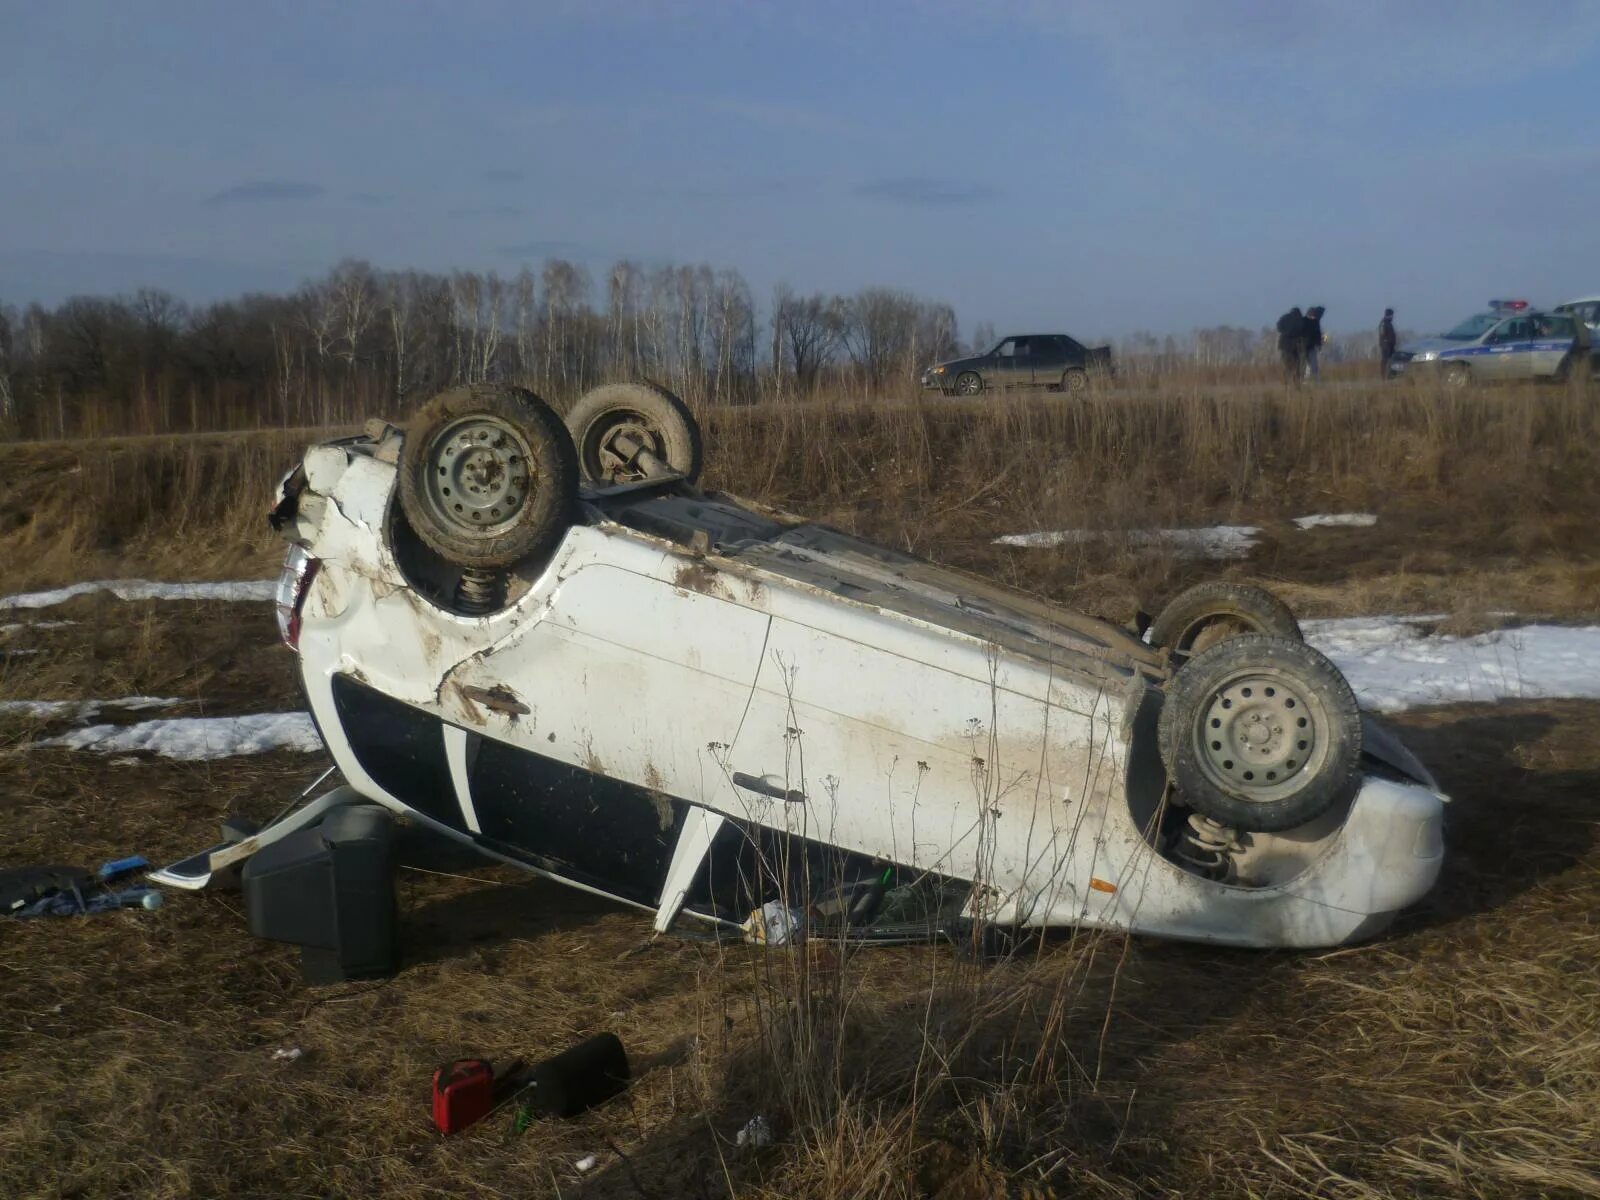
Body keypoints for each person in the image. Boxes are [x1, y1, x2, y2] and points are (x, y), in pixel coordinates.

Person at [1276, 306, 1306, 382]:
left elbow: (1278, 327)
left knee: (1287, 364)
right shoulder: (1300, 320)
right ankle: (1296, 381)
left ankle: (1286, 381)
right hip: (1295, 346)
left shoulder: (1284, 317)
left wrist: (1285, 332)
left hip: (1284, 344)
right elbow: (1303, 332)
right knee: (1297, 364)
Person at [1303, 306, 1326, 380]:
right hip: (1308, 347)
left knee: (1310, 365)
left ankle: (1309, 381)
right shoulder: (1312, 323)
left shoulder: (1306, 322)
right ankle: (1315, 381)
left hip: (1307, 347)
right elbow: (1315, 335)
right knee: (1312, 365)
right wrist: (1319, 343)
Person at [1378, 308, 1397, 379]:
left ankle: (1392, 375)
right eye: (1392, 315)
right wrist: (1386, 343)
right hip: (1386, 345)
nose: (1393, 317)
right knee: (1385, 360)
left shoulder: (1389, 323)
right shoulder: (1384, 323)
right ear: (1389, 315)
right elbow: (1383, 334)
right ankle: (1384, 376)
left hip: (1390, 345)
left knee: (1394, 359)